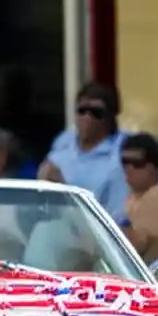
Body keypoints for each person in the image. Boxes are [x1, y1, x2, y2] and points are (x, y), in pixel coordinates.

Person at [40, 81, 130, 225]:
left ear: (110, 116)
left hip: (93, 238)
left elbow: (115, 222)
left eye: (96, 112)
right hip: (52, 227)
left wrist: (64, 190)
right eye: (82, 110)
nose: (87, 117)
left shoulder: (122, 152)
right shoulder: (63, 143)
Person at [118, 132, 158, 265]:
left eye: (137, 163)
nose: (129, 168)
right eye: (125, 162)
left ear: (155, 167)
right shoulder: (133, 197)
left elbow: (133, 245)